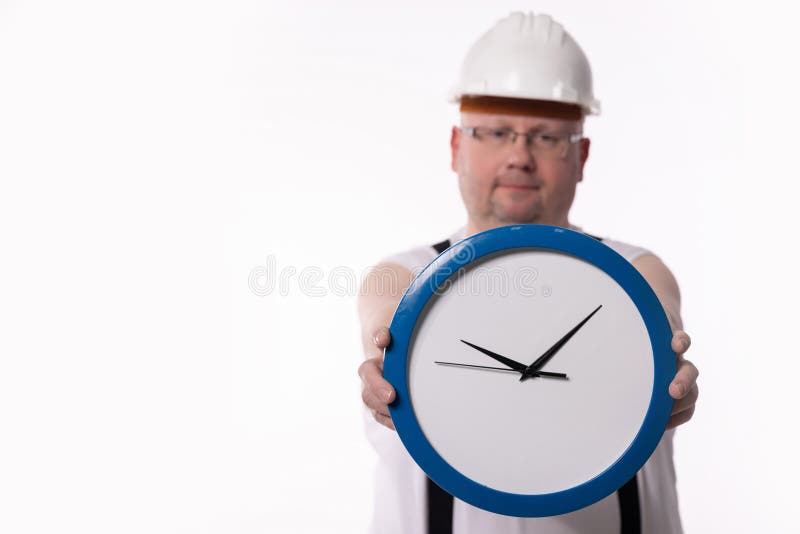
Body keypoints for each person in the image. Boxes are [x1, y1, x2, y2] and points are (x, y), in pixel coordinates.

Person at [357, 12, 699, 534]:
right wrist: (385, 356)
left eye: (546, 138)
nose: (519, 156)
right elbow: (386, 316)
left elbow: (661, 311)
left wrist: (669, 355)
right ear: (456, 148)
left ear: (581, 156)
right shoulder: (400, 275)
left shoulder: (636, 271)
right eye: (495, 132)